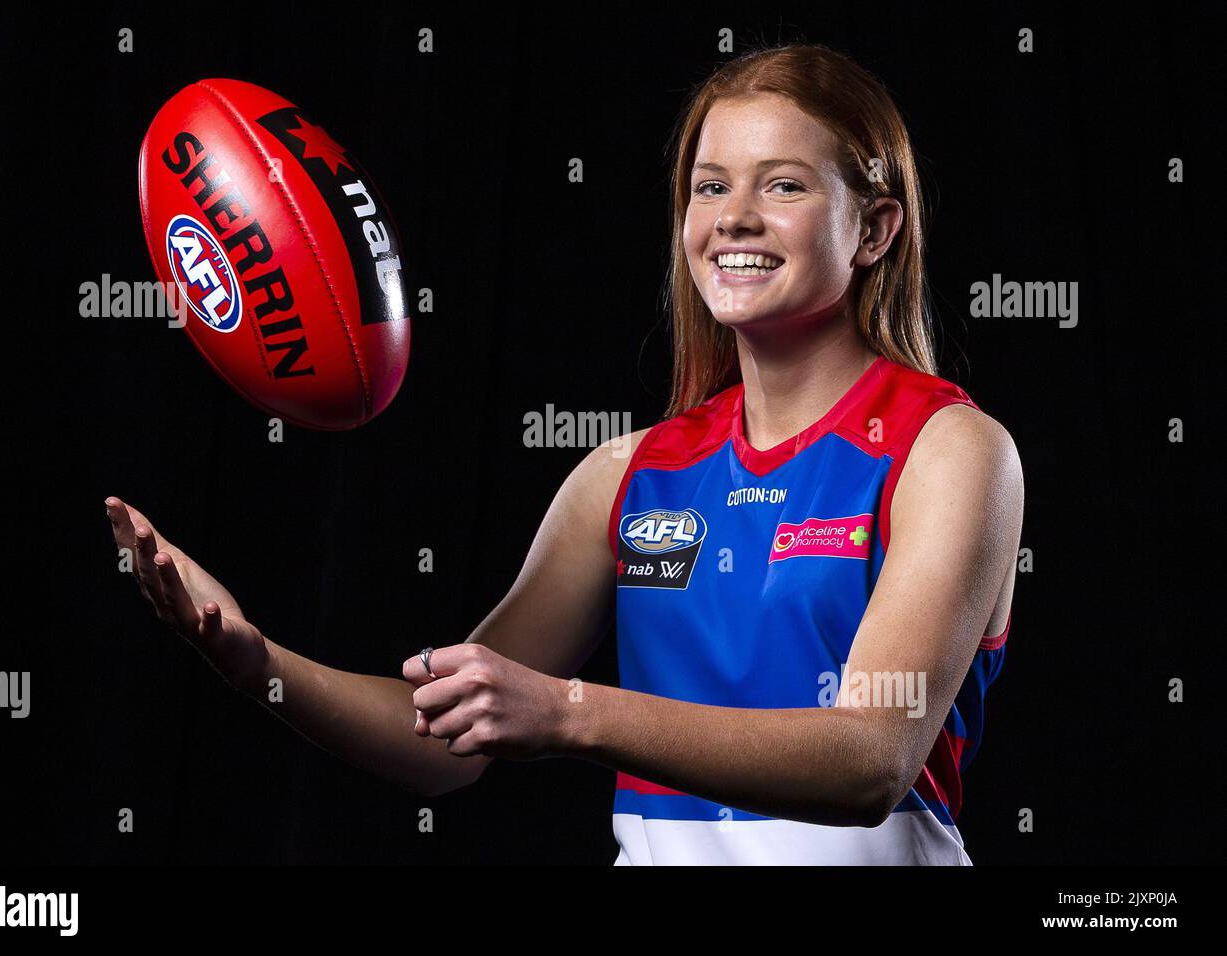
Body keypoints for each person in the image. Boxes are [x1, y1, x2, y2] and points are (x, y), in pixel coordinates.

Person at [105, 42, 1023, 865]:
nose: (734, 217)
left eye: (783, 185)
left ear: (874, 229)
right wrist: (255, 661)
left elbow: (870, 759)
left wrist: (572, 712)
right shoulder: (626, 476)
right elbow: (444, 744)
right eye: (710, 187)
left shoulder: (950, 450)